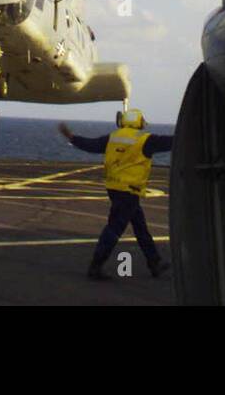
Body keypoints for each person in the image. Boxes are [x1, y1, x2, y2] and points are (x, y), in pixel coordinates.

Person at [59, 108, 172, 280]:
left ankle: (154, 262)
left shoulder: (112, 138)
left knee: (140, 226)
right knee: (114, 229)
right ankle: (95, 266)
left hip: (114, 187)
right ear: (139, 123)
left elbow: (91, 145)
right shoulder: (145, 140)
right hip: (129, 190)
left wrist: (72, 137)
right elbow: (172, 142)